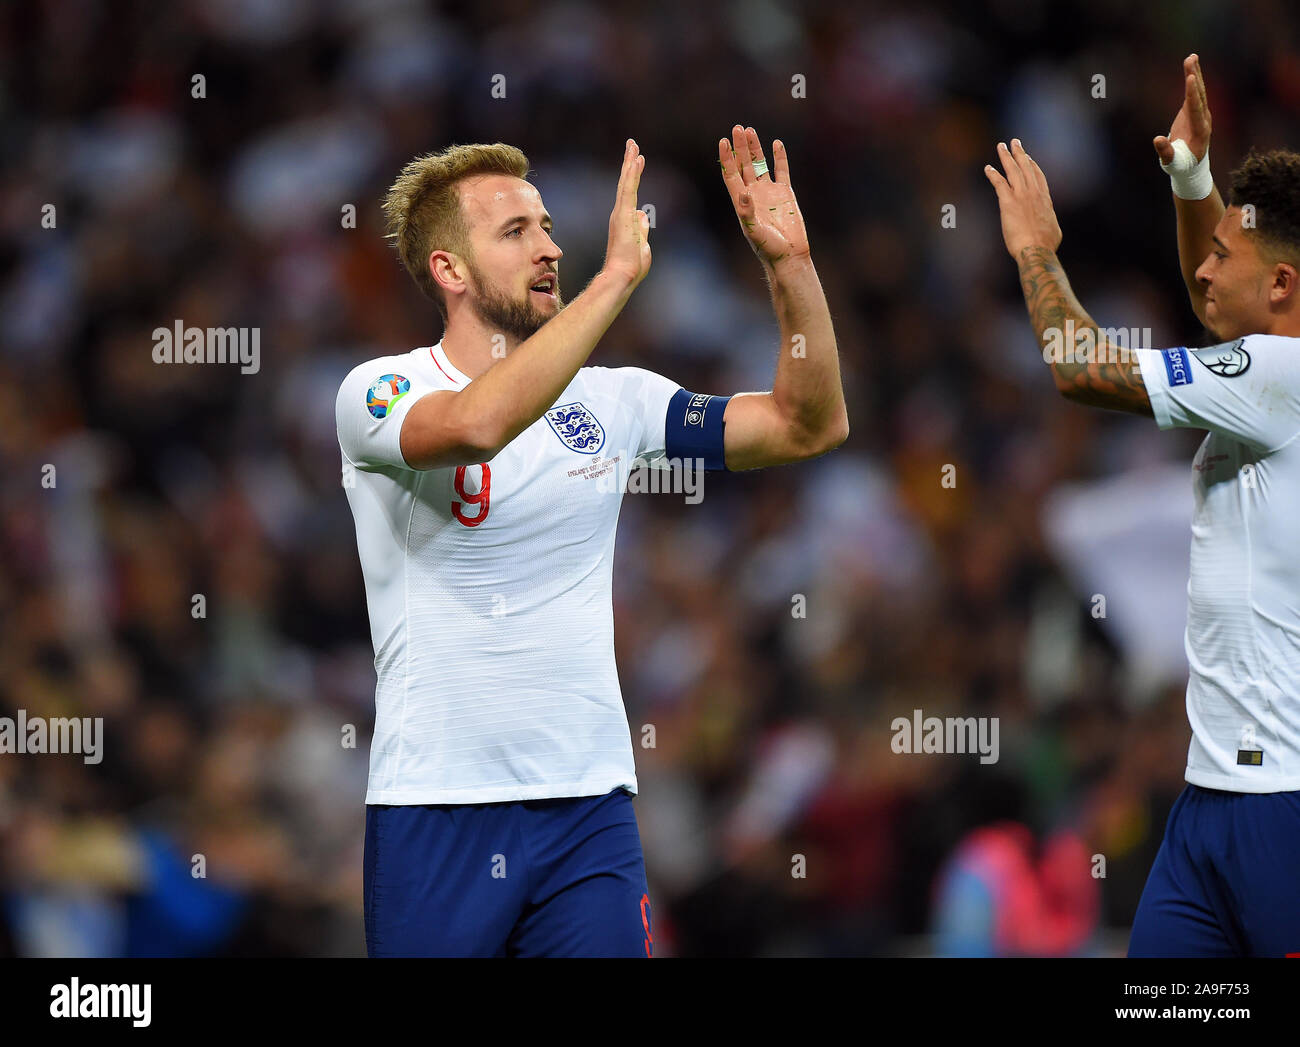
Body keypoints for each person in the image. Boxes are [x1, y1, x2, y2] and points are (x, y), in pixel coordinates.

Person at [335, 130, 848, 956]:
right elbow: (478, 425)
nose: (550, 246)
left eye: (545, 225)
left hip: (588, 809)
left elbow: (808, 422)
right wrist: (614, 282)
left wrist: (789, 265)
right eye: (516, 233)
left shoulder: (616, 403)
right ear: (449, 271)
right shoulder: (382, 389)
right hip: (436, 807)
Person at [984, 55, 1300, 957]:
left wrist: (1037, 252)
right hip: (1208, 806)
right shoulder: (1268, 372)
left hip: (1283, 806)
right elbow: (1221, 307)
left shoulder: (1282, 376)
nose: (1201, 272)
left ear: (1280, 287)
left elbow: (1082, 368)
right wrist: (1194, 178)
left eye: (1223, 257)